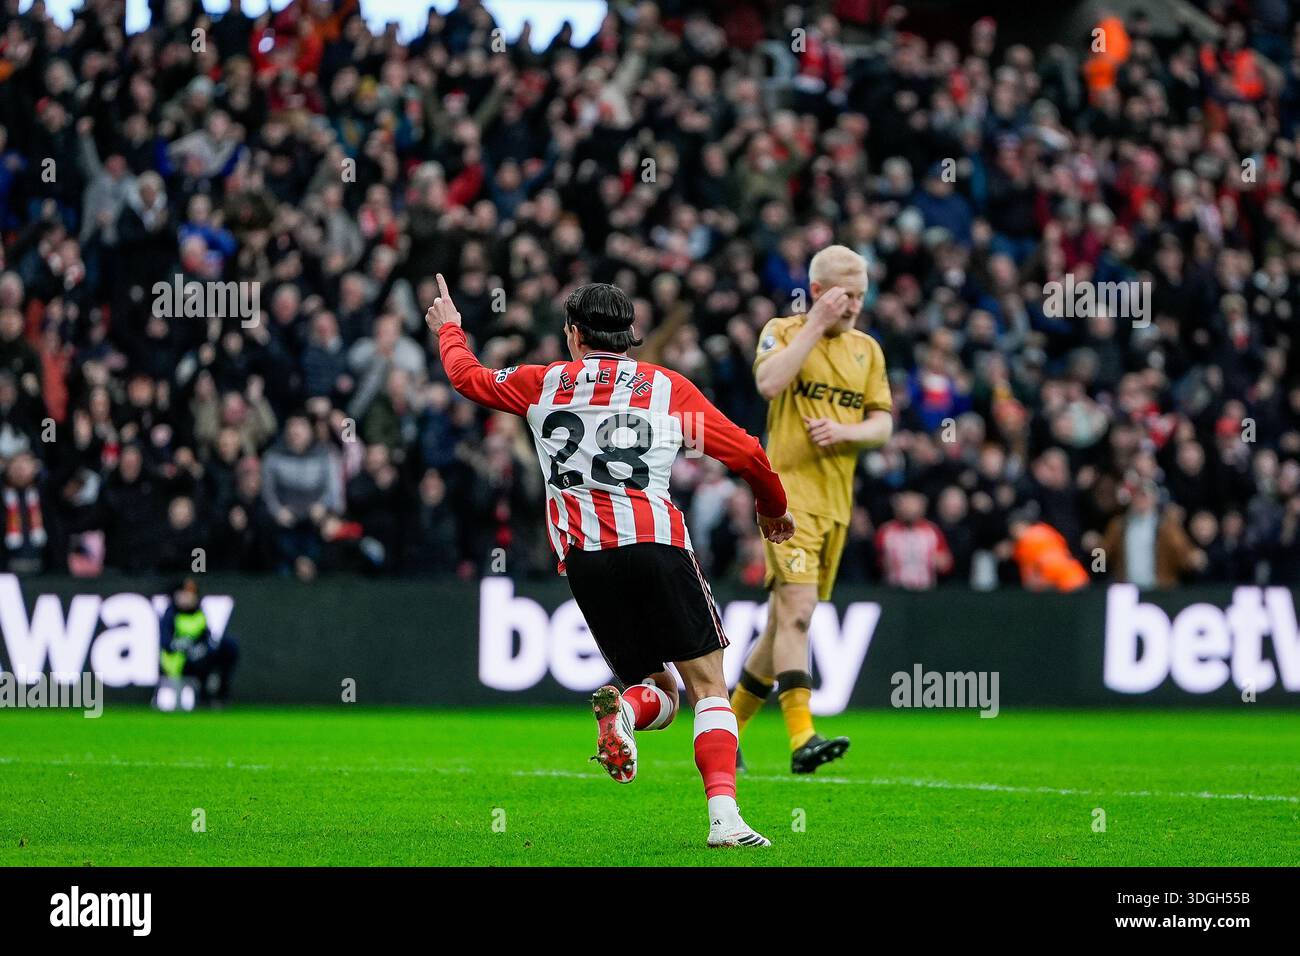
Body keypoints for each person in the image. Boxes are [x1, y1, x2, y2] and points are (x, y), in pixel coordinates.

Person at [429, 276, 794, 849]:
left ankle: (625, 708)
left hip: (587, 562)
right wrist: (773, 510)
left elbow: (467, 377)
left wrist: (449, 327)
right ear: (630, 335)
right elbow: (749, 452)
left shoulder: (542, 384)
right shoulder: (666, 389)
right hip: (656, 546)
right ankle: (724, 819)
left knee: (661, 693)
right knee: (707, 689)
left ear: (573, 334)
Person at [730, 245, 892, 773]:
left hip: (836, 504)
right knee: (799, 613)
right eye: (846, 297)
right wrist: (813, 325)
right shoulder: (782, 329)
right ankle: (803, 739)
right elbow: (769, 383)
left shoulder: (867, 350)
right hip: (787, 499)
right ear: (820, 291)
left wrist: (847, 432)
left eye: (862, 297)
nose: (854, 308)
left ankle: (724, 731)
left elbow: (883, 424)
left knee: (782, 627)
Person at [159, 577, 240, 706]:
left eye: (191, 593)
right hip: (178, 662)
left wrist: (204, 649)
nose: (188, 597)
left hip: (197, 656)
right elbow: (166, 644)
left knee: (228, 647)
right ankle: (204, 696)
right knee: (200, 662)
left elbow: (207, 638)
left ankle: (220, 693)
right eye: (184, 593)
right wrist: (187, 646)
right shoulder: (171, 614)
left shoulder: (199, 613)